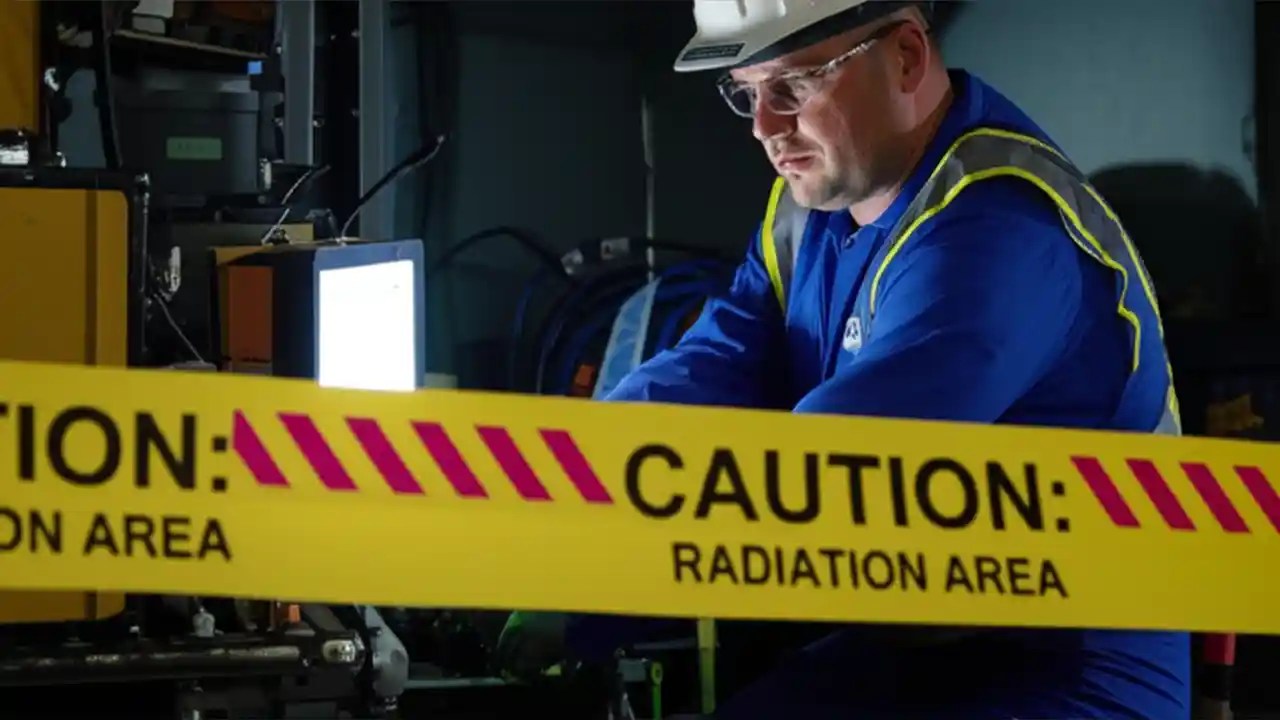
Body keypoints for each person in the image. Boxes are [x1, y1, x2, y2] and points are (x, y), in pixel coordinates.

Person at [497, 1, 1190, 717]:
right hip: (911, 650)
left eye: (793, 85)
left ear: (906, 57)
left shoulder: (996, 231)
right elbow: (711, 369)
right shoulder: (810, 213)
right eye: (745, 92)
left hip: (1067, 675)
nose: (764, 126)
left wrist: (591, 594)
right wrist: (564, 493)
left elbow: (828, 473)